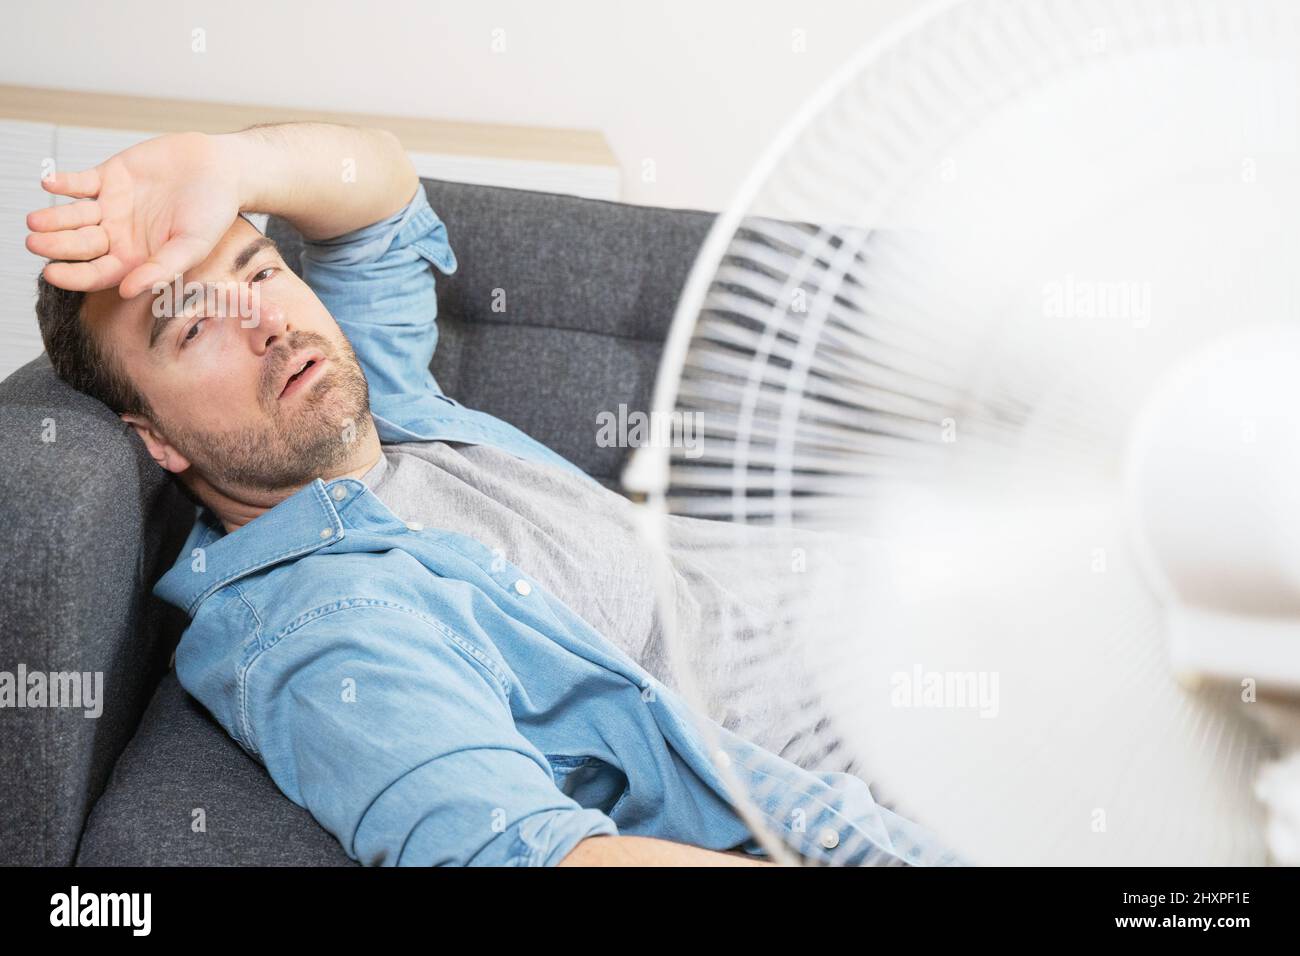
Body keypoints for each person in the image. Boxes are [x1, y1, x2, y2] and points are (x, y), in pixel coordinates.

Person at [27, 123, 957, 866]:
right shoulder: (325, 627)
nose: (268, 324)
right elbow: (538, 855)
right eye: (196, 329)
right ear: (154, 439)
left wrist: (228, 163)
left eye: (258, 273)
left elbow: (378, 193)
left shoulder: (379, 410)